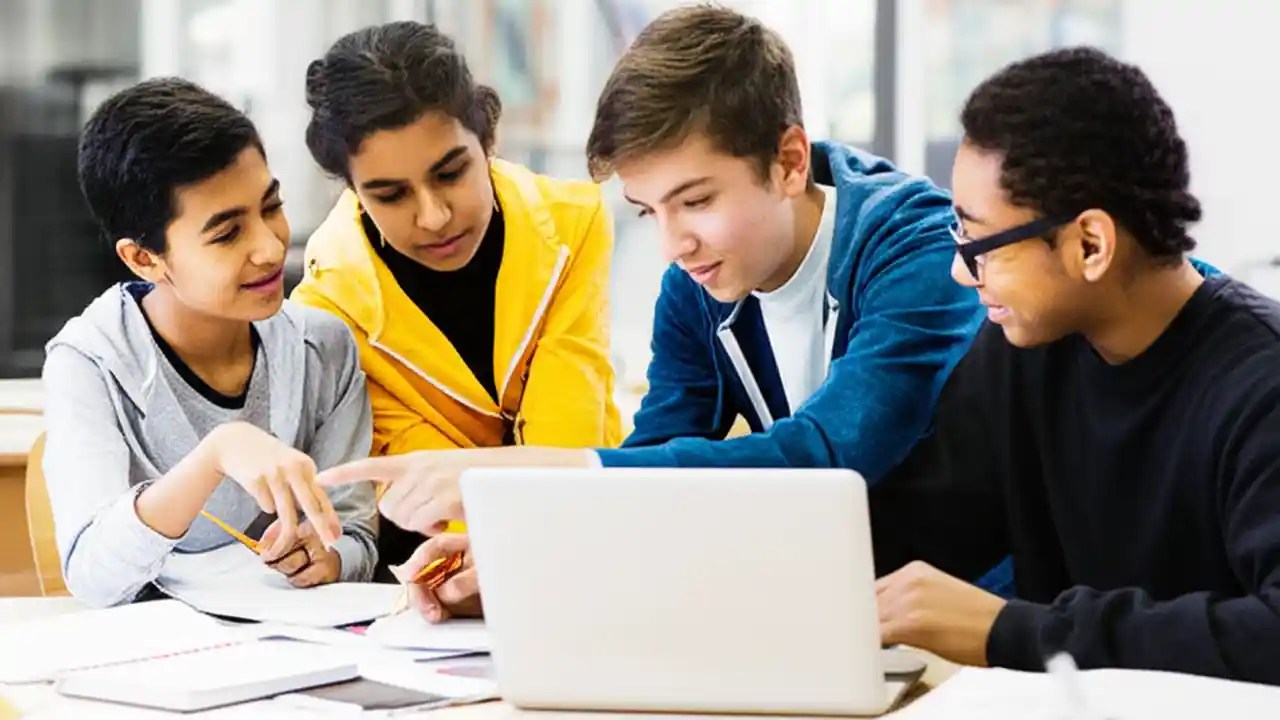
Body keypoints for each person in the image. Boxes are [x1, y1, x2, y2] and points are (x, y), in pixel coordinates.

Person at [320, 5, 999, 622]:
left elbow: (828, 455)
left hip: (979, 624)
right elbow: (650, 467)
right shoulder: (701, 277)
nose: (674, 243)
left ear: (789, 162)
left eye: (696, 201)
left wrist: (502, 475)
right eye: (650, 211)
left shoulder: (918, 247)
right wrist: (520, 559)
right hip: (826, 613)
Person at [867, 47, 1280, 684]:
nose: (961, 270)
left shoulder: (1263, 385)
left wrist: (1013, 631)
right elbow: (922, 526)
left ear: (1090, 244)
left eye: (980, 244)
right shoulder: (1023, 354)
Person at [290, 21, 621, 569]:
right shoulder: (327, 307)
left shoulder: (573, 222)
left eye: (451, 173)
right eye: (391, 194)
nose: (434, 216)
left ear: (488, 140)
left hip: (586, 524)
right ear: (353, 189)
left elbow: (569, 433)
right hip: (439, 553)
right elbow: (417, 487)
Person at [42, 78, 378, 608]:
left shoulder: (323, 348)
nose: (269, 249)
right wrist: (217, 453)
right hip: (157, 665)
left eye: (270, 207)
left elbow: (356, 538)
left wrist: (328, 557)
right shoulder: (89, 363)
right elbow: (93, 577)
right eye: (226, 234)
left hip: (297, 653)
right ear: (144, 260)